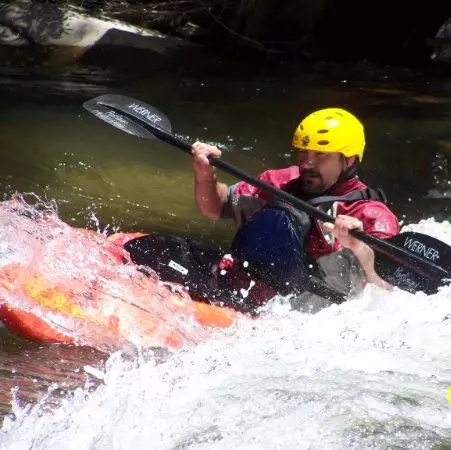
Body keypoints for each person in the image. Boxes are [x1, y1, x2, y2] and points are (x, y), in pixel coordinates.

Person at [125, 108, 399, 314]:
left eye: (320, 155)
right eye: (303, 154)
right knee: (146, 249)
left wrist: (358, 246)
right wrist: (205, 174)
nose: (307, 163)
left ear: (348, 160)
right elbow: (216, 206)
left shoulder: (371, 215)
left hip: (294, 306)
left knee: (280, 218)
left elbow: (387, 289)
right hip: (239, 279)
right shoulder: (280, 181)